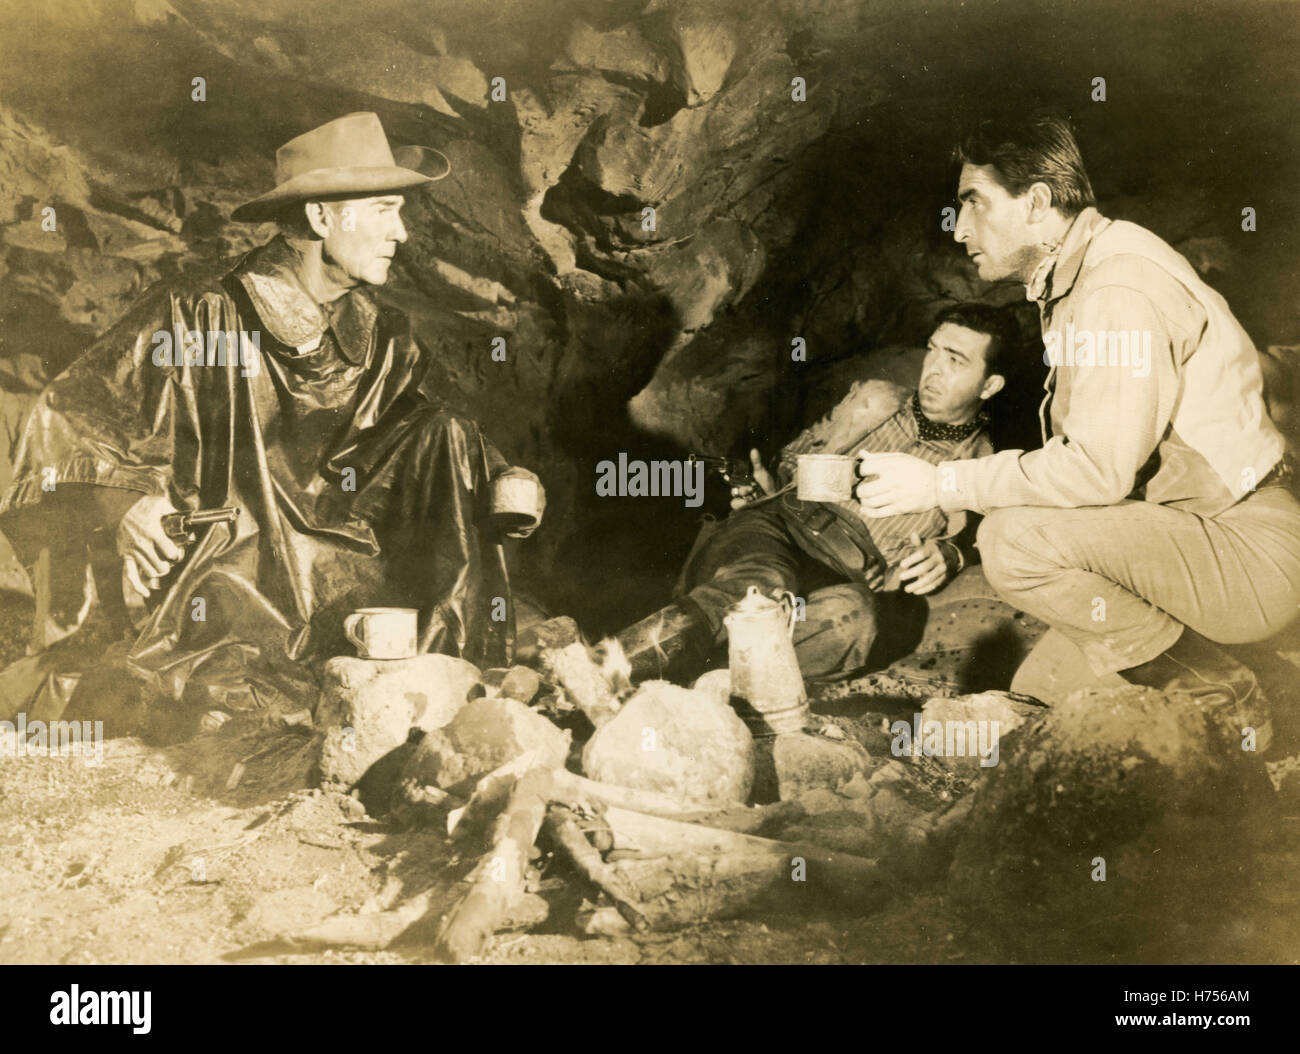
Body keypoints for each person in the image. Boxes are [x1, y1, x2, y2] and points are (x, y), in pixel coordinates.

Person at [0, 112, 544, 721]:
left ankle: (443, 670)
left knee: (447, 432)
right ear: (321, 217)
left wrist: (496, 470)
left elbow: (419, 425)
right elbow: (71, 408)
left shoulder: (384, 333)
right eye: (387, 209)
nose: (404, 234)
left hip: (346, 559)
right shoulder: (198, 308)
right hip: (225, 562)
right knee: (223, 684)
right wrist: (121, 500)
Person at [855, 113, 1300, 752]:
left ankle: (1221, 689)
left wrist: (941, 482)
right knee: (1039, 695)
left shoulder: (1116, 287)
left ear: (1037, 204)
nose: (959, 228)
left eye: (974, 203)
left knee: (1014, 540)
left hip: (1245, 551)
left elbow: (1096, 471)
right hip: (1192, 541)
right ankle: (1224, 674)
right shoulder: (1089, 273)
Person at [610, 303, 1018, 684]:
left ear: (991, 384)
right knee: (766, 582)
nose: (933, 370)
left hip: (846, 576)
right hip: (777, 529)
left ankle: (708, 680)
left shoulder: (982, 467)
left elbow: (987, 536)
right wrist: (772, 483)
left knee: (856, 621)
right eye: (934, 351)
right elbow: (792, 461)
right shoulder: (874, 400)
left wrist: (952, 552)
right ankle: (612, 668)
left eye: (956, 361)